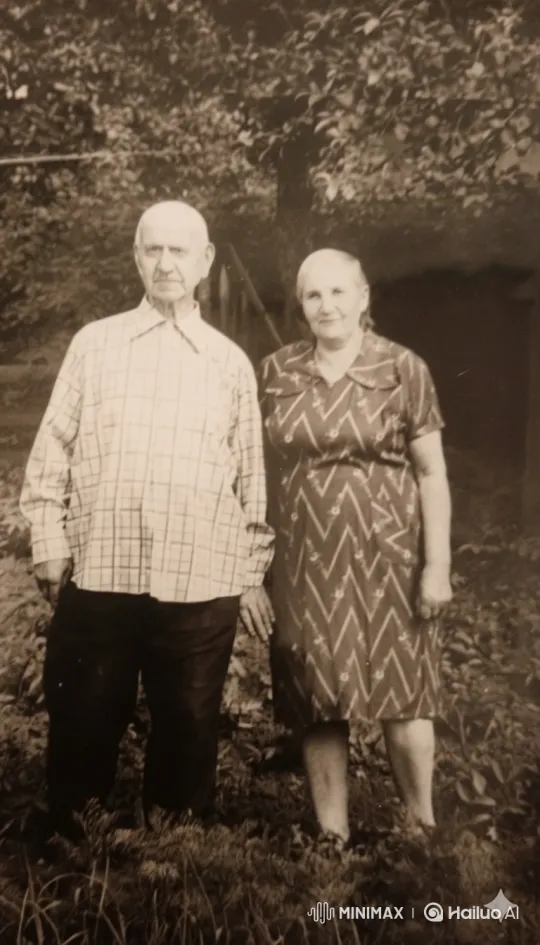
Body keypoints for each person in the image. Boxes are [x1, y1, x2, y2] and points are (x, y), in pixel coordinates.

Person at [19, 200, 275, 839]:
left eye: (180, 250)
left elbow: (251, 479)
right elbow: (52, 448)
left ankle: (178, 854)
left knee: (188, 720)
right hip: (103, 566)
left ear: (205, 261)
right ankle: (78, 844)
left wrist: (249, 571)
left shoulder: (228, 362)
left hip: (201, 576)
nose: (166, 263)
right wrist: (49, 540)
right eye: (152, 250)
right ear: (136, 257)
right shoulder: (95, 344)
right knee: (84, 712)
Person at [258, 248, 452, 850]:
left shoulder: (402, 368)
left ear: (364, 298)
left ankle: (421, 832)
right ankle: (332, 840)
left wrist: (437, 566)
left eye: (340, 292)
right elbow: (253, 469)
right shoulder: (275, 372)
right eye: (314, 295)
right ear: (301, 304)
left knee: (405, 695)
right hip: (305, 563)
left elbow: (431, 475)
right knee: (319, 699)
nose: (327, 306)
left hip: (390, 558)